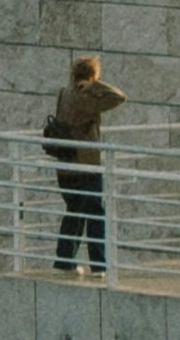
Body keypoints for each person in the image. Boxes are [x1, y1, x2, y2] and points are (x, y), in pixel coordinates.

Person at [41, 48, 124, 269]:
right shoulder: (86, 98)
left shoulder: (63, 93)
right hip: (86, 167)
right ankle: (99, 264)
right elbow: (119, 97)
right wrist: (95, 86)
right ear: (91, 76)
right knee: (96, 213)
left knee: (74, 211)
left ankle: (64, 261)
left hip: (65, 168)